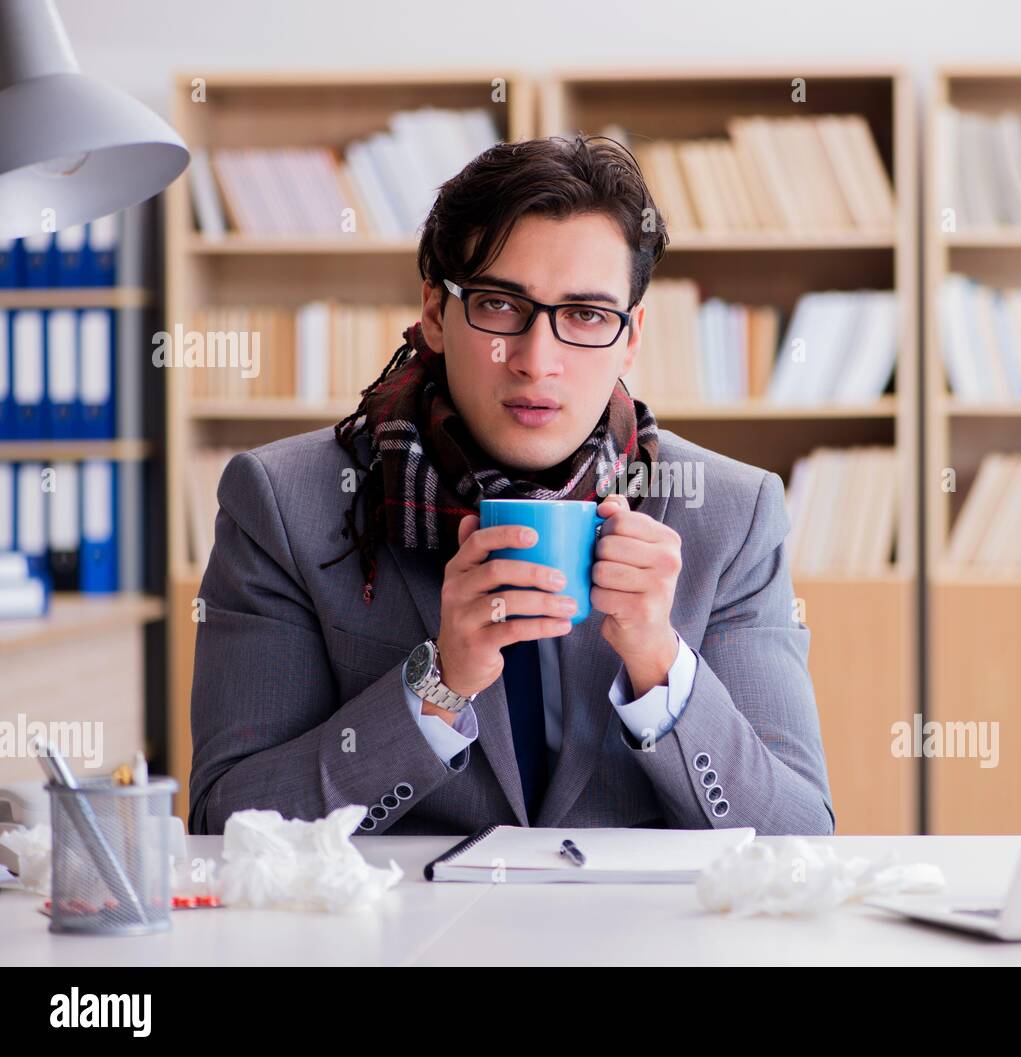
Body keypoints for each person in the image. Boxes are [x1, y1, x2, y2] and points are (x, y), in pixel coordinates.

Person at [188, 135, 834, 836]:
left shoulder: (733, 515)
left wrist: (661, 663)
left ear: (632, 335)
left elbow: (801, 835)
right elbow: (225, 824)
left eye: (586, 315)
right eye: (499, 305)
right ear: (435, 313)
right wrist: (435, 687)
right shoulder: (284, 503)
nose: (536, 360)